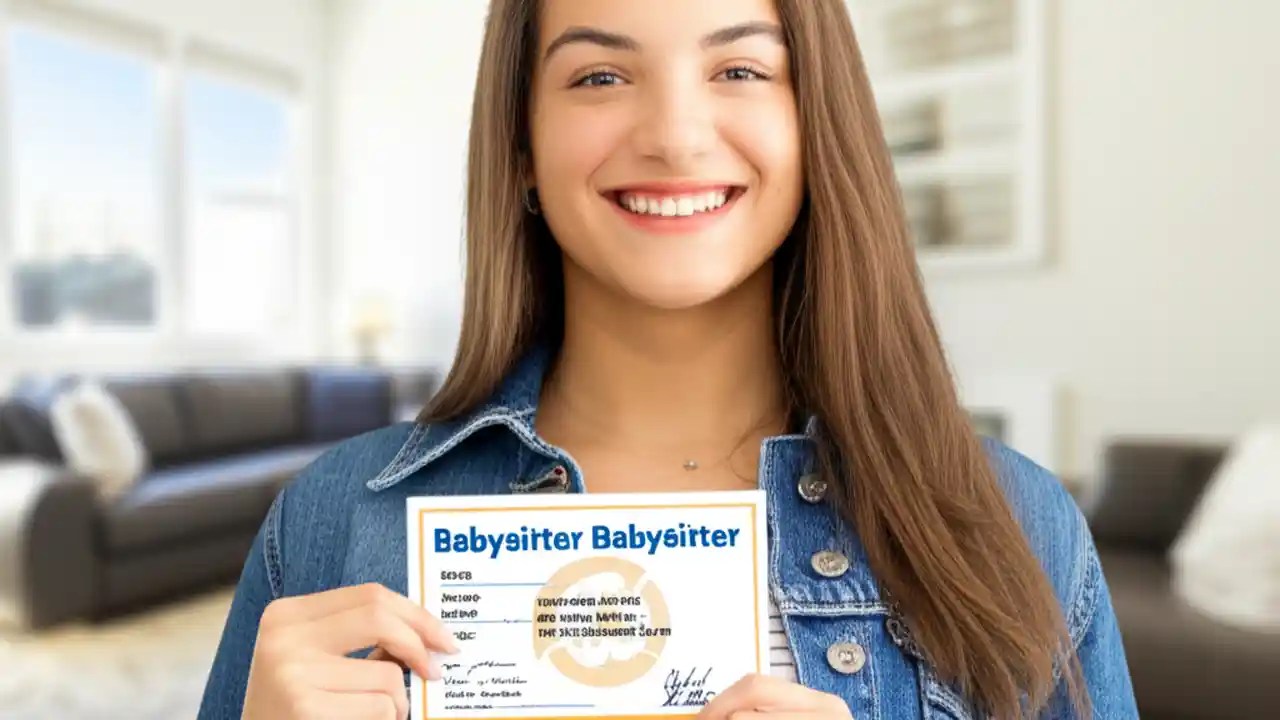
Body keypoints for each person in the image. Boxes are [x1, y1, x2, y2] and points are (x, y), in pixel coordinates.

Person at [198, 0, 1138, 718]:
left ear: (817, 123)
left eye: (738, 69)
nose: (676, 136)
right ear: (521, 146)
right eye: (601, 78)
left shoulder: (1018, 527)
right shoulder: (330, 523)